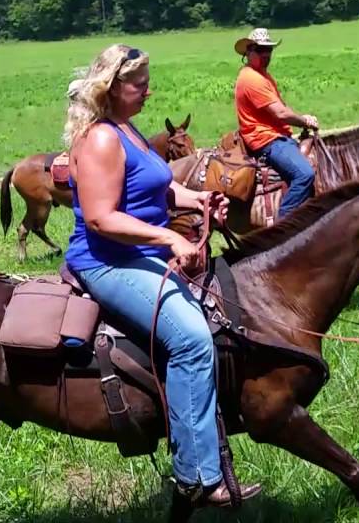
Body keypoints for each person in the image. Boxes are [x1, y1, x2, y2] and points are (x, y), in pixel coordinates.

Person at [63, 44, 260, 506]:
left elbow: (157, 186)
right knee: (191, 339)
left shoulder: (126, 129)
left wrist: (198, 199)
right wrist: (170, 238)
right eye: (139, 85)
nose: (148, 92)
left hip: (137, 253)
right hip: (108, 261)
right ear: (112, 88)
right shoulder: (102, 139)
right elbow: (101, 218)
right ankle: (196, 477)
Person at [233, 27, 319, 219]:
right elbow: (280, 113)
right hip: (266, 140)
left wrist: (301, 119)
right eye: (260, 50)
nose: (266, 54)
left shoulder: (263, 75)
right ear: (249, 52)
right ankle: (284, 223)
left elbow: (281, 108)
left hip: (276, 135)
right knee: (304, 174)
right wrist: (305, 121)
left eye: (269, 49)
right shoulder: (252, 79)